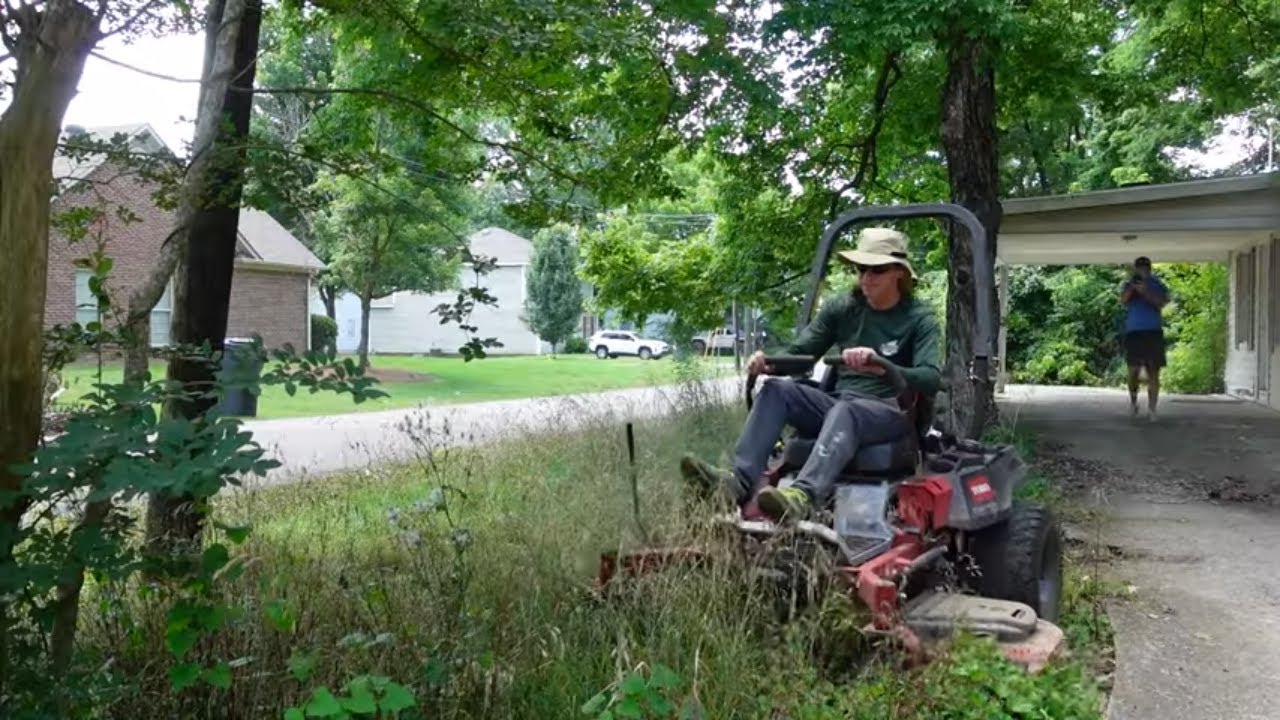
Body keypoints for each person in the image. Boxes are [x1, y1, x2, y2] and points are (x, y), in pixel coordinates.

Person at [680, 228, 942, 522]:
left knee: (847, 411)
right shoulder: (843, 308)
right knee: (776, 390)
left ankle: (802, 496)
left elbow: (930, 378)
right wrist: (769, 363)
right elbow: (801, 352)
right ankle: (738, 483)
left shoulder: (920, 318)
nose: (866, 277)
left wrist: (883, 367)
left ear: (899, 272)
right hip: (841, 403)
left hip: (889, 411)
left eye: (876, 270)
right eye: (861, 269)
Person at [1120, 256, 1169, 422]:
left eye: (1144, 268)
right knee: (1133, 371)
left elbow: (1161, 302)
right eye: (1139, 267)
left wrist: (1144, 291)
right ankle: (1133, 402)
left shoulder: (1157, 284)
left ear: (1149, 269)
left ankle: (1152, 409)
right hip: (1134, 332)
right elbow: (1123, 300)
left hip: (1153, 332)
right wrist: (1133, 287)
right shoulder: (1129, 284)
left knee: (1153, 371)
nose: (1141, 270)